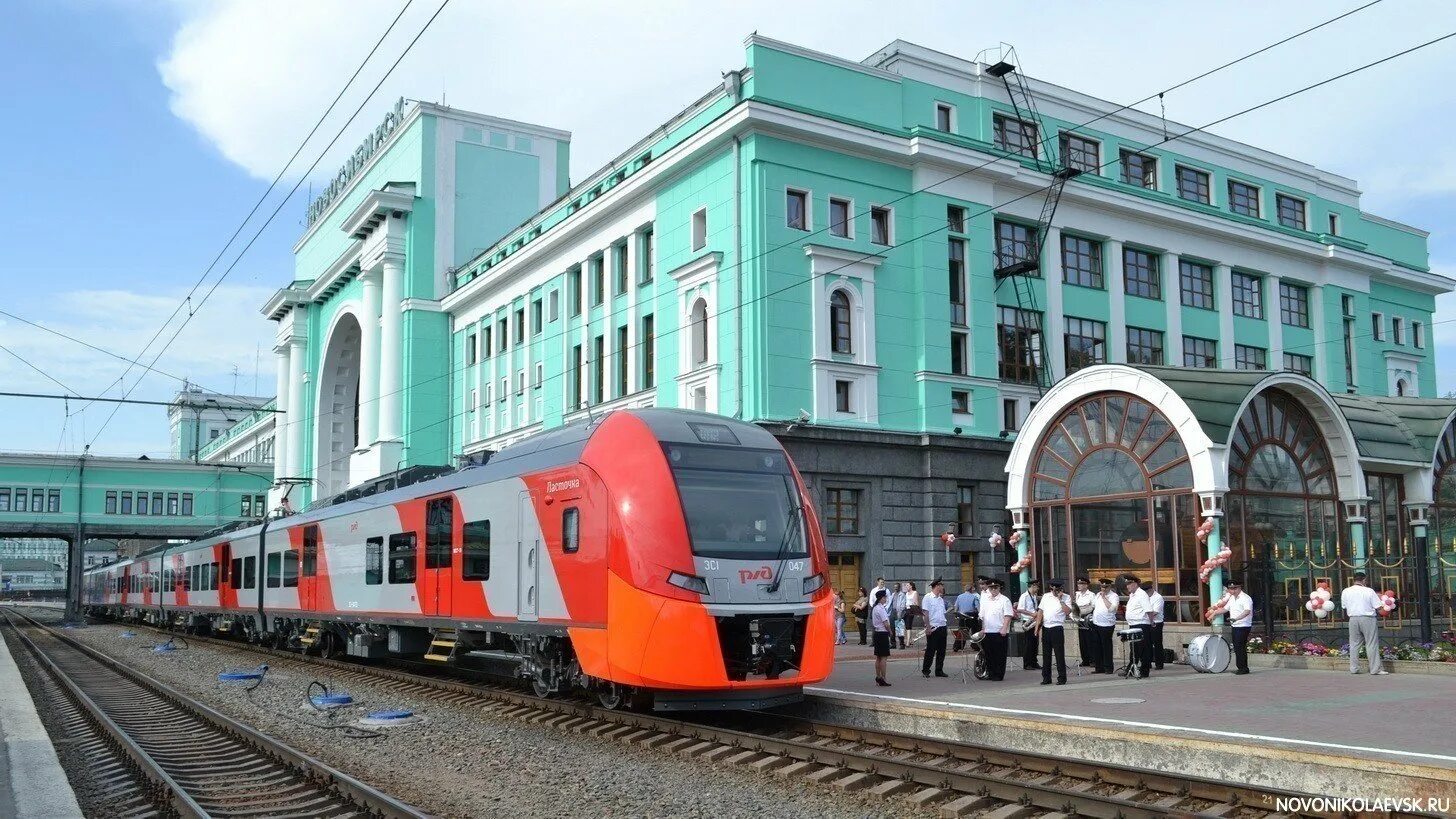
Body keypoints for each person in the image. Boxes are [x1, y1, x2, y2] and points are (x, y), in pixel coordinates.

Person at [1340, 572, 1389, 675]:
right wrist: (1387, 610)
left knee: (1354, 644)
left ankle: (1354, 668)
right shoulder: (1369, 591)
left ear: (1354, 579)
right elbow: (1378, 607)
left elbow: (1344, 606)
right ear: (1364, 580)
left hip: (1353, 618)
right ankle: (1375, 669)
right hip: (1368, 618)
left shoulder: (1346, 591)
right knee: (1371, 644)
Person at [1036, 579, 1073, 685]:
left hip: (1057, 627)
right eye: (1053, 589)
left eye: (1056, 589)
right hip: (1046, 627)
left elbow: (1067, 611)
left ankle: (1062, 678)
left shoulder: (1066, 597)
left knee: (1059, 654)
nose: (1054, 591)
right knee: (1046, 655)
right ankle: (1046, 678)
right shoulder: (1046, 596)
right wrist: (1037, 626)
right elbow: (1040, 611)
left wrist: (1060, 599)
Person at [979, 580, 1014, 681]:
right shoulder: (986, 600)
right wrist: (983, 628)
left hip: (999, 631)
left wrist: (1004, 628)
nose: (993, 590)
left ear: (999, 588)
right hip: (988, 631)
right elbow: (983, 616)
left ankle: (998, 674)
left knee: (999, 654)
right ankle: (991, 673)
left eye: (995, 588)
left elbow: (1008, 615)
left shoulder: (1004, 600)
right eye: (991, 588)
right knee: (989, 654)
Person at [1122, 575, 1153, 678]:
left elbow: (1149, 610)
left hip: (1141, 625)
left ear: (1135, 583)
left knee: (1143, 648)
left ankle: (1144, 671)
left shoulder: (1141, 594)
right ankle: (1131, 668)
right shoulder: (1133, 595)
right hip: (1133, 625)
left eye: (1129, 584)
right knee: (1134, 648)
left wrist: (1152, 622)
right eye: (1127, 584)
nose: (1127, 587)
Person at [1225, 578, 1255, 675]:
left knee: (1240, 647)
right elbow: (1225, 609)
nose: (1232, 590)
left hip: (1243, 625)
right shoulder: (1231, 598)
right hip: (1235, 625)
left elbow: (1247, 611)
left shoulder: (1246, 598)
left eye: (1234, 588)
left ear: (1239, 587)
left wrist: (1236, 618)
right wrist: (1214, 613)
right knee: (1237, 647)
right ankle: (1241, 667)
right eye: (1230, 588)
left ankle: (1243, 668)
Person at [921, 580, 949, 678]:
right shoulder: (927, 598)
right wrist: (927, 627)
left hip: (942, 626)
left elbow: (942, 613)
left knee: (942, 650)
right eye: (942, 585)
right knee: (931, 650)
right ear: (937, 586)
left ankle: (939, 670)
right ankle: (926, 670)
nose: (943, 588)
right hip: (933, 627)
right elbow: (925, 613)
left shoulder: (940, 599)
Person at [1091, 578, 1119, 674]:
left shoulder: (1114, 596)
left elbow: (1112, 609)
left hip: (1107, 624)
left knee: (1106, 646)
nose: (1103, 589)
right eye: (1102, 587)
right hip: (1096, 623)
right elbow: (1093, 606)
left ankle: (1108, 668)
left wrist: (1104, 598)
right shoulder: (1097, 595)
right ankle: (1099, 667)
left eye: (1106, 587)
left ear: (1109, 587)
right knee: (1096, 646)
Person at [1017, 580, 1042, 670]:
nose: (1038, 589)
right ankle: (1027, 663)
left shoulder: (1034, 596)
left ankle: (1034, 662)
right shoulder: (1024, 596)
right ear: (1032, 586)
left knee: (1035, 643)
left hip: (1034, 621)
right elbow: (1020, 609)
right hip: (1028, 621)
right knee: (1029, 643)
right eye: (1037, 587)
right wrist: (1032, 614)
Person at [871, 589, 892, 686]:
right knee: (884, 657)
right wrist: (890, 632)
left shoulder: (875, 608)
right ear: (881, 598)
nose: (886, 599)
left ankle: (877, 677)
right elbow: (886, 623)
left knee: (878, 657)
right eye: (884, 597)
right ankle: (883, 678)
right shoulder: (881, 609)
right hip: (883, 633)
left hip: (877, 633)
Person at [1073, 577, 1095, 667]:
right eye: (1078, 584)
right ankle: (1085, 660)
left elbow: (1092, 606)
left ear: (1086, 585)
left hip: (1087, 619)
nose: (1079, 585)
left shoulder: (1091, 595)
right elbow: (1075, 606)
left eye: (1081, 584)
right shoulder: (1077, 594)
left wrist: (1082, 611)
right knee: (1082, 641)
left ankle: (1092, 660)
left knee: (1090, 640)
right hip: (1080, 619)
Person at [952, 582, 980, 651]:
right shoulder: (974, 597)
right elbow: (978, 608)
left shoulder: (959, 597)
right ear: (971, 590)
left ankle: (957, 646)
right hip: (972, 616)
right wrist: (980, 615)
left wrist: (956, 615)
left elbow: (956, 606)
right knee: (975, 631)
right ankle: (975, 646)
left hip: (962, 615)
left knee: (962, 631)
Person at [1147, 583, 1166, 670]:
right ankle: (1148, 662)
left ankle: (1159, 664)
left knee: (1157, 644)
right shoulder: (1145, 597)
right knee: (1147, 644)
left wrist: (1142, 615)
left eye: (1147, 591)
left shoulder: (1158, 597)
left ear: (1150, 589)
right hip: (1147, 623)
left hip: (1156, 623)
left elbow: (1155, 612)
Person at [889, 583, 908, 649]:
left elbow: (903, 605)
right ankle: (893, 644)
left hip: (899, 612)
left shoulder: (902, 595)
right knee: (892, 628)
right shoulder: (893, 594)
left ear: (899, 587)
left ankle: (902, 644)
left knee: (899, 629)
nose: (895, 588)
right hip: (892, 612)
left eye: (897, 587)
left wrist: (900, 613)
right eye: (894, 587)